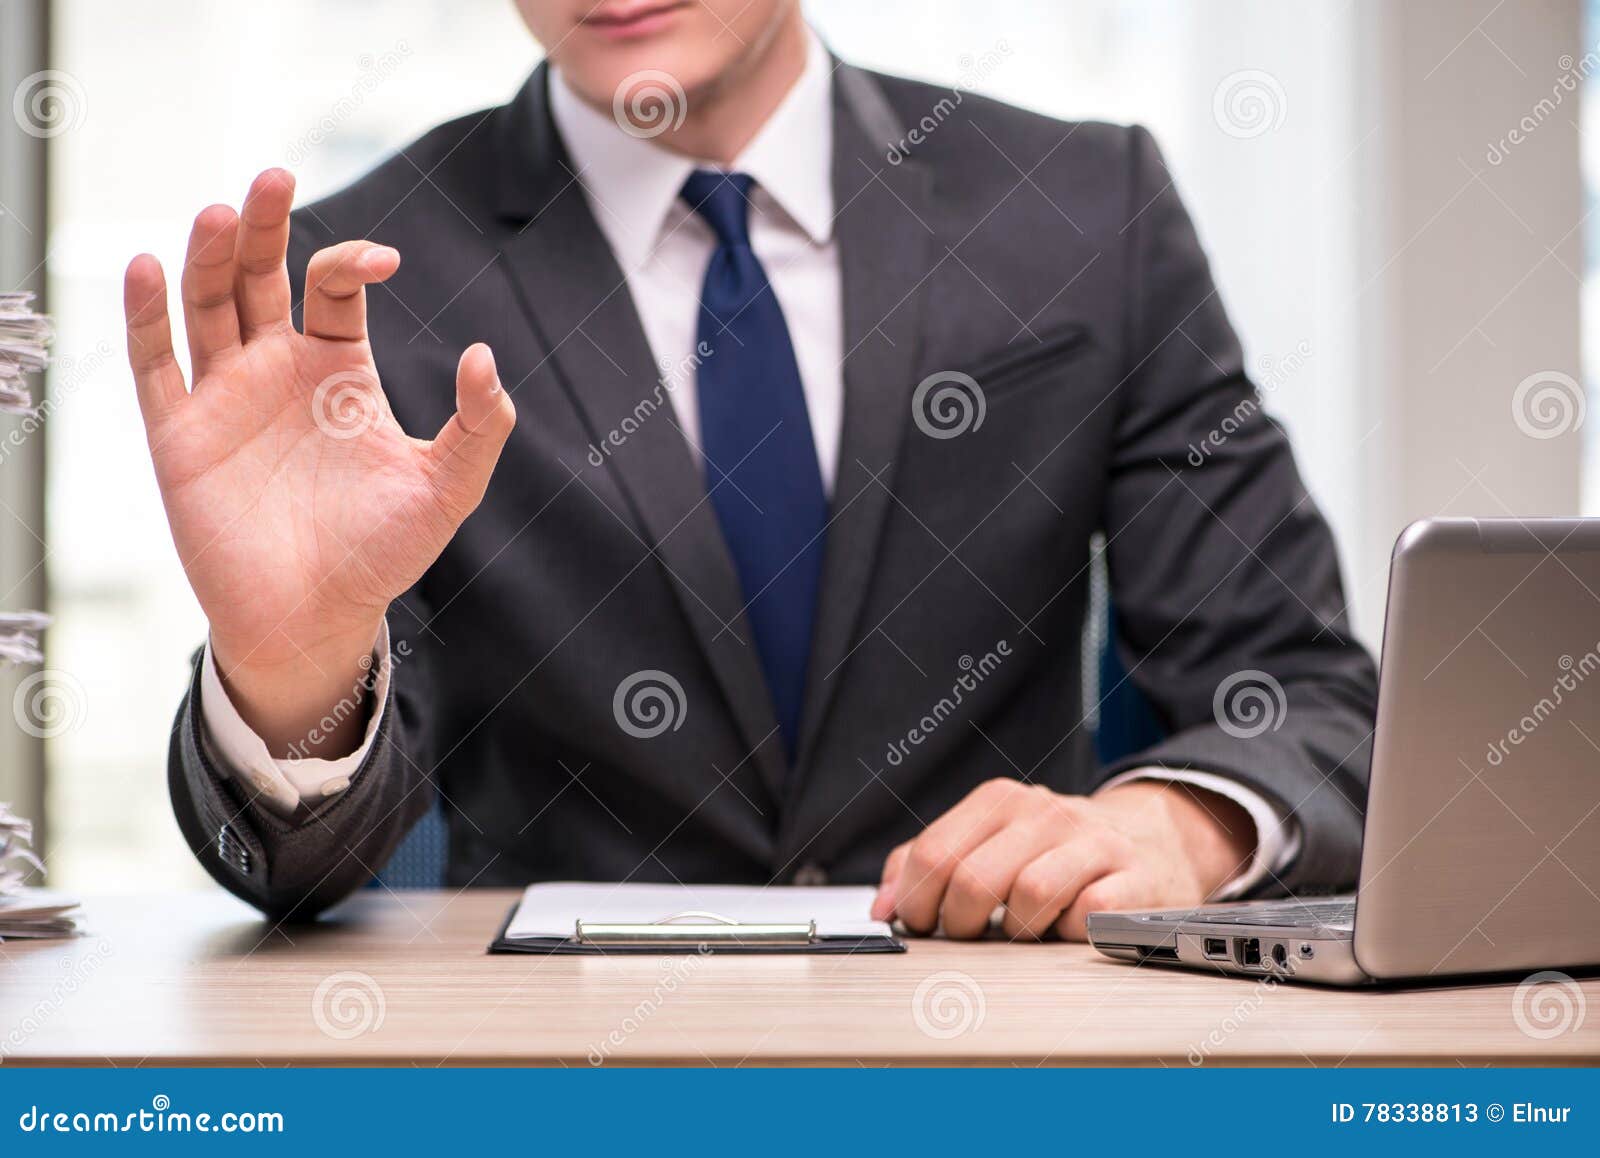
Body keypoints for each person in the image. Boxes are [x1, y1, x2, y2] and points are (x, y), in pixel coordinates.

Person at [123, 0, 1377, 938]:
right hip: (565, 1074)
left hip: (1000, 1037)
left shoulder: (1083, 211)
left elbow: (1315, 702)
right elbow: (299, 872)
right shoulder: (369, 283)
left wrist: (1182, 823)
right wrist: (295, 680)